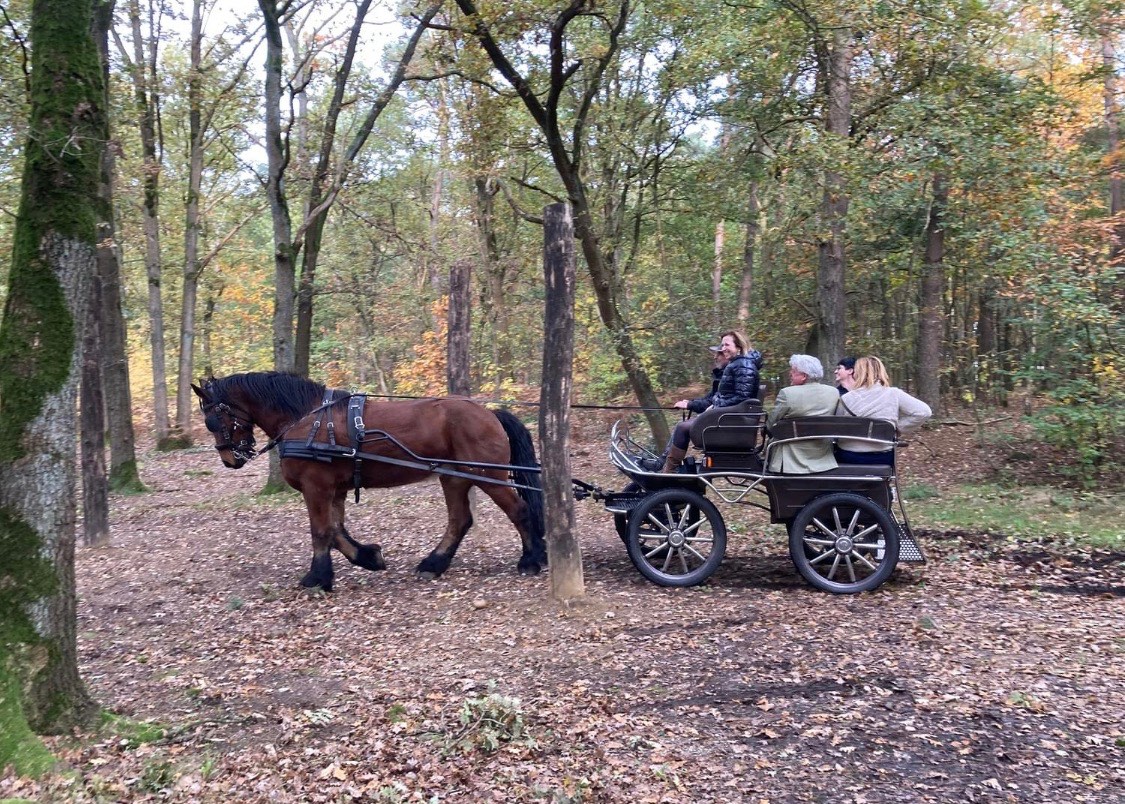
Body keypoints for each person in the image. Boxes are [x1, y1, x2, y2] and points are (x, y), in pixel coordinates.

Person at [642, 330, 763, 473]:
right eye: (722, 345)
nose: (723, 349)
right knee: (683, 426)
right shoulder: (738, 364)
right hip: (729, 418)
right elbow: (725, 396)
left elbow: (742, 398)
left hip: (732, 422)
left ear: (739, 346)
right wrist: (710, 405)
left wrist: (714, 407)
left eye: (727, 345)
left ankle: (668, 471)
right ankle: (666, 468)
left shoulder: (743, 366)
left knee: (682, 427)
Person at [834, 356, 932, 465]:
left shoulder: (846, 398)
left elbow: (838, 426)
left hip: (849, 456)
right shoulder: (894, 394)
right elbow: (923, 412)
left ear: (858, 373)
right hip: (882, 456)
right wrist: (896, 428)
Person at [766, 354, 840, 473]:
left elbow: (771, 425)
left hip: (790, 459)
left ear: (804, 376)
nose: (790, 373)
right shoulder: (833, 392)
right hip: (822, 456)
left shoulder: (787, 393)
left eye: (793, 371)